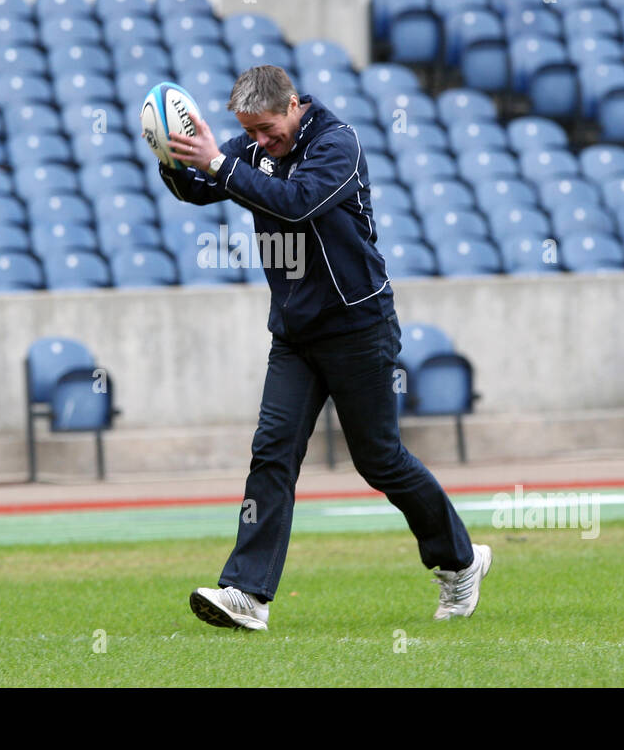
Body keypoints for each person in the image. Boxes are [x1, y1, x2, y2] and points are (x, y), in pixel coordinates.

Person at [157, 65, 490, 631]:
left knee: (380, 460)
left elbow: (297, 202)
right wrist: (172, 153)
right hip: (294, 334)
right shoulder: (253, 144)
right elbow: (199, 187)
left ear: (293, 105)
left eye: (266, 129)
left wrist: (219, 160)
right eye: (250, 133)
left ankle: (459, 561)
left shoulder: (337, 143)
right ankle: (247, 594)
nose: (259, 142)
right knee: (273, 451)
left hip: (357, 327)